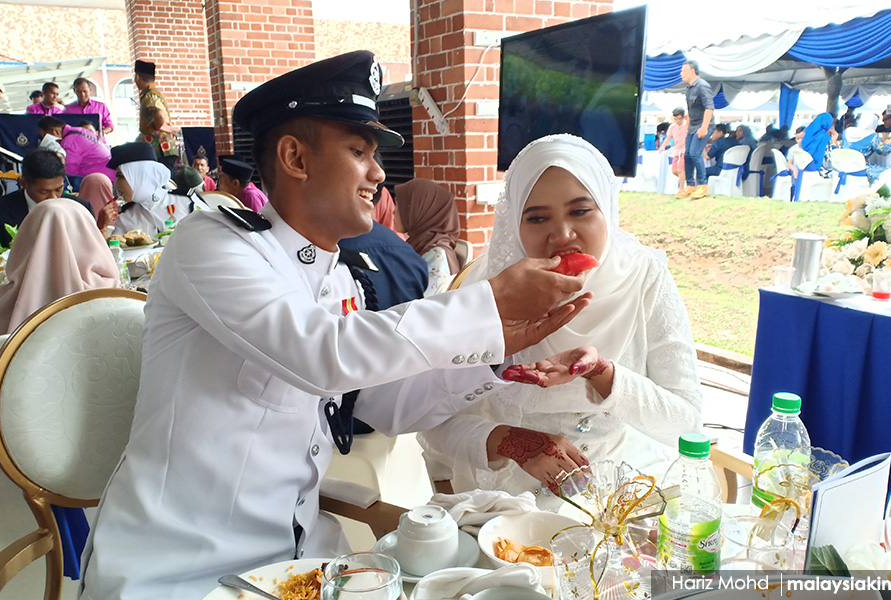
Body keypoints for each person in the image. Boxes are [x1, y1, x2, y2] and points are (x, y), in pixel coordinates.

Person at [78, 50, 590, 600]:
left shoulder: (339, 281)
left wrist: (496, 353)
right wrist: (486, 301)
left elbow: (386, 405)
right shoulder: (211, 242)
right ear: (295, 157)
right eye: (359, 151)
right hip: (180, 571)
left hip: (299, 562)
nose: (378, 173)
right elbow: (321, 354)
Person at [418, 134, 702, 507]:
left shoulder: (644, 277)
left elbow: (687, 423)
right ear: (514, 226)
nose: (563, 235)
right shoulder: (488, 291)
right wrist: (510, 441)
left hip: (626, 494)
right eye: (537, 218)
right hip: (513, 507)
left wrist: (602, 372)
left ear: (607, 210)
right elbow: (432, 420)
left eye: (581, 211)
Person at [0, 197, 119, 412]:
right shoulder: (123, 301)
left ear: (24, 243)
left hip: (13, 437)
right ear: (92, 241)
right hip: (115, 425)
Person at [0, 150, 92, 247]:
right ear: (24, 183)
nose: (53, 198)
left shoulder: (81, 208)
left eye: (58, 189)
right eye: (43, 191)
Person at [393, 178, 461, 295]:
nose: (394, 212)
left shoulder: (436, 255)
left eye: (399, 206)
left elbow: (424, 305)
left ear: (417, 210)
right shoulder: (417, 244)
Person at [107, 141, 190, 236]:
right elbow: (113, 248)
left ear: (140, 175)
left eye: (121, 176)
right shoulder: (126, 217)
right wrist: (104, 227)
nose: (117, 184)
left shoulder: (186, 203)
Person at [37, 116, 115, 182]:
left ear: (56, 131)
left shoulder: (70, 141)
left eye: (45, 137)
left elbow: (69, 175)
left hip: (102, 182)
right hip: (110, 176)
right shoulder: (81, 131)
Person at [134, 60, 180, 170]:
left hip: (160, 151)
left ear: (137, 77)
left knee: (163, 183)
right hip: (160, 150)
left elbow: (160, 115)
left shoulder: (150, 95)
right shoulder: (152, 93)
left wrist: (162, 127)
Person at [679, 59, 714, 199]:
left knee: (695, 154)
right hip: (693, 126)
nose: (681, 73)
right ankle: (690, 185)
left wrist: (704, 127)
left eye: (684, 71)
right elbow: (690, 111)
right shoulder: (689, 89)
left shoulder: (702, 86)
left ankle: (703, 186)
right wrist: (686, 130)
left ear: (692, 71)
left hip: (704, 125)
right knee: (687, 155)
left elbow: (709, 107)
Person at [842, 113, 891, 183]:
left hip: (842, 166)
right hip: (860, 168)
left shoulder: (847, 132)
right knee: (890, 172)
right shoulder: (872, 136)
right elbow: (882, 149)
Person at [659, 108, 687, 196]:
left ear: (683, 117)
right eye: (675, 119)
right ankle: (688, 179)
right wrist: (663, 146)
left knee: (680, 169)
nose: (677, 121)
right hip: (677, 150)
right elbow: (669, 137)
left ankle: (681, 189)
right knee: (674, 171)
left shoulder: (687, 125)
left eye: (679, 119)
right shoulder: (672, 126)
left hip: (685, 149)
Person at [800, 113, 837, 178]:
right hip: (820, 173)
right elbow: (830, 159)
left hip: (807, 170)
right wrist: (834, 143)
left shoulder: (807, 136)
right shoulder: (825, 138)